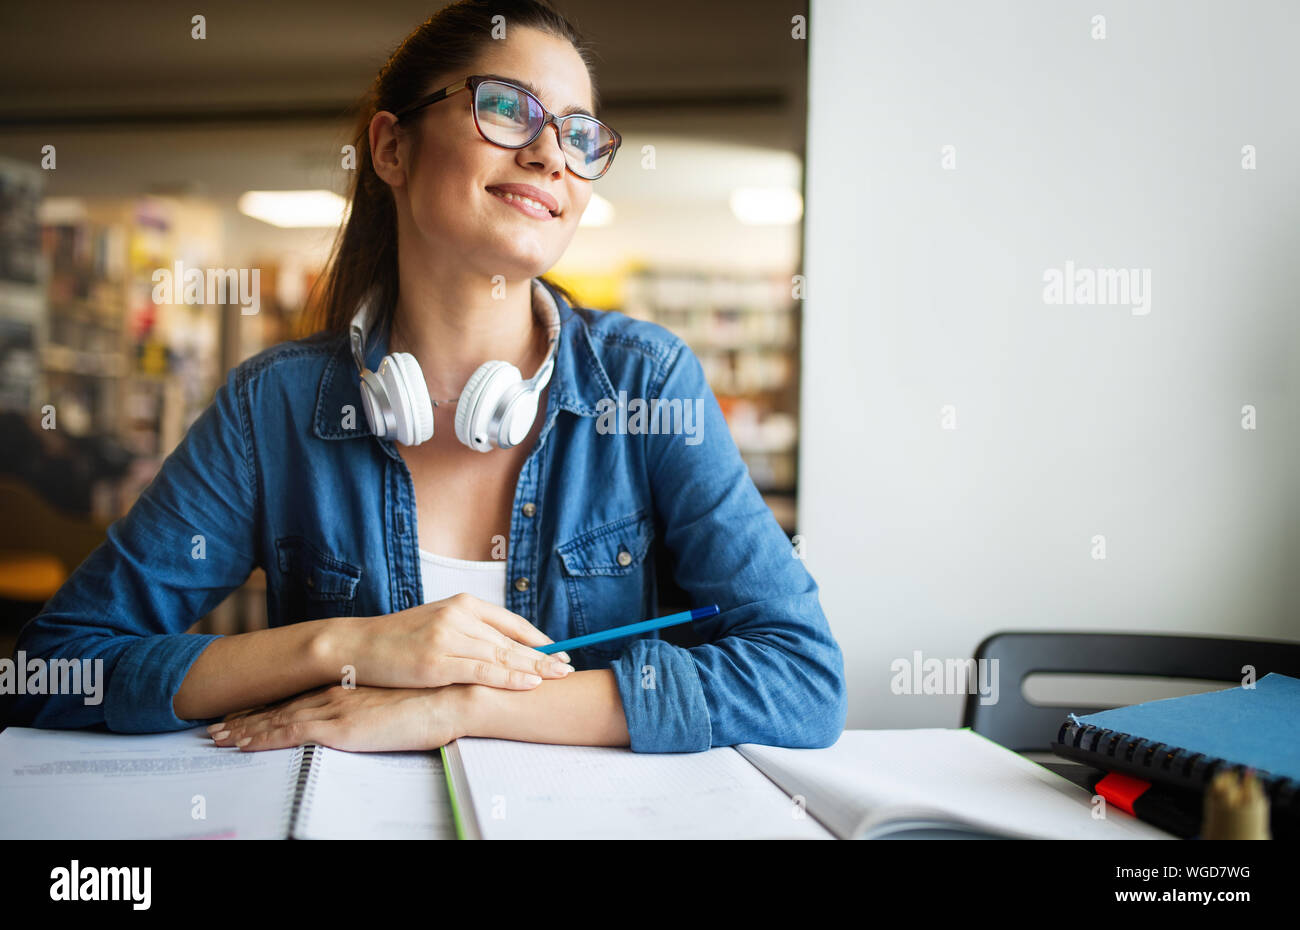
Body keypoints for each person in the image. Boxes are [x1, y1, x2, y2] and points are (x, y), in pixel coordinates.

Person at [5, 0, 846, 754]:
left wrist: (463, 705)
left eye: (581, 133)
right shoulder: (275, 407)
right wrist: (345, 649)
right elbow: (55, 667)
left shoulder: (645, 385)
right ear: (392, 147)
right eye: (509, 108)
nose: (554, 153)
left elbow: (802, 680)